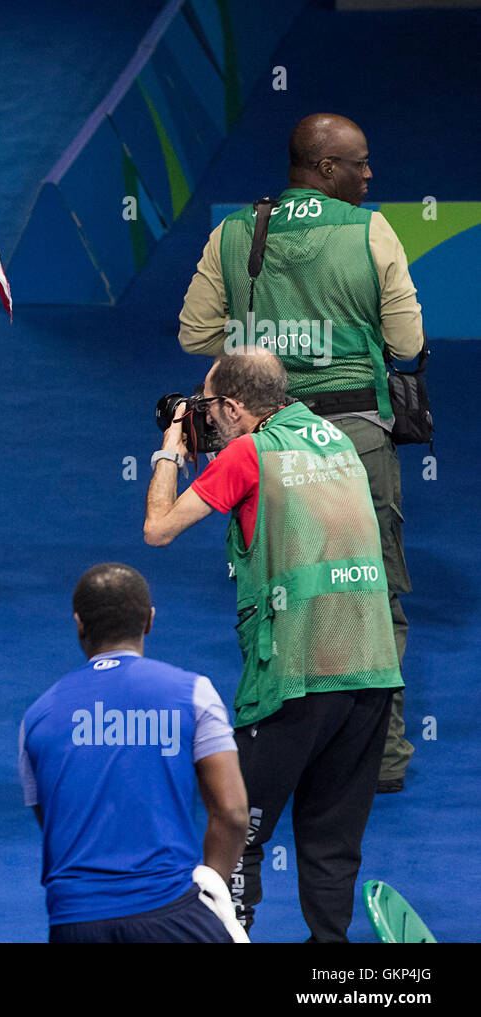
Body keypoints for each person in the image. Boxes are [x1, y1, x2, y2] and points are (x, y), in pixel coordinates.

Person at [178, 113, 422, 793]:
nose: (368, 175)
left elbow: (197, 334)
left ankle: (278, 747)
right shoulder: (371, 231)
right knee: (373, 592)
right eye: (359, 163)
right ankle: (382, 756)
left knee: (273, 593)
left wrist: (266, 348)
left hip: (268, 446)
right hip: (357, 441)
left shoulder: (233, 232)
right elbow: (405, 341)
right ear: (323, 168)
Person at [144, 349, 401, 941]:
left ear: (233, 407)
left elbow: (157, 529)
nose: (205, 418)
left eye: (209, 408)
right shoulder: (337, 440)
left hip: (295, 675)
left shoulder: (248, 453)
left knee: (239, 826)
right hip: (371, 671)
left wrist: (170, 448)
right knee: (331, 840)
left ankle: (233, 936)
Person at [18, 563, 249, 943]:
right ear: (149, 621)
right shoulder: (194, 693)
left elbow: (54, 819)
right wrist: (213, 887)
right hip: (172, 911)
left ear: (79, 624)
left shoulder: (37, 715)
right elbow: (233, 812)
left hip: (74, 925)